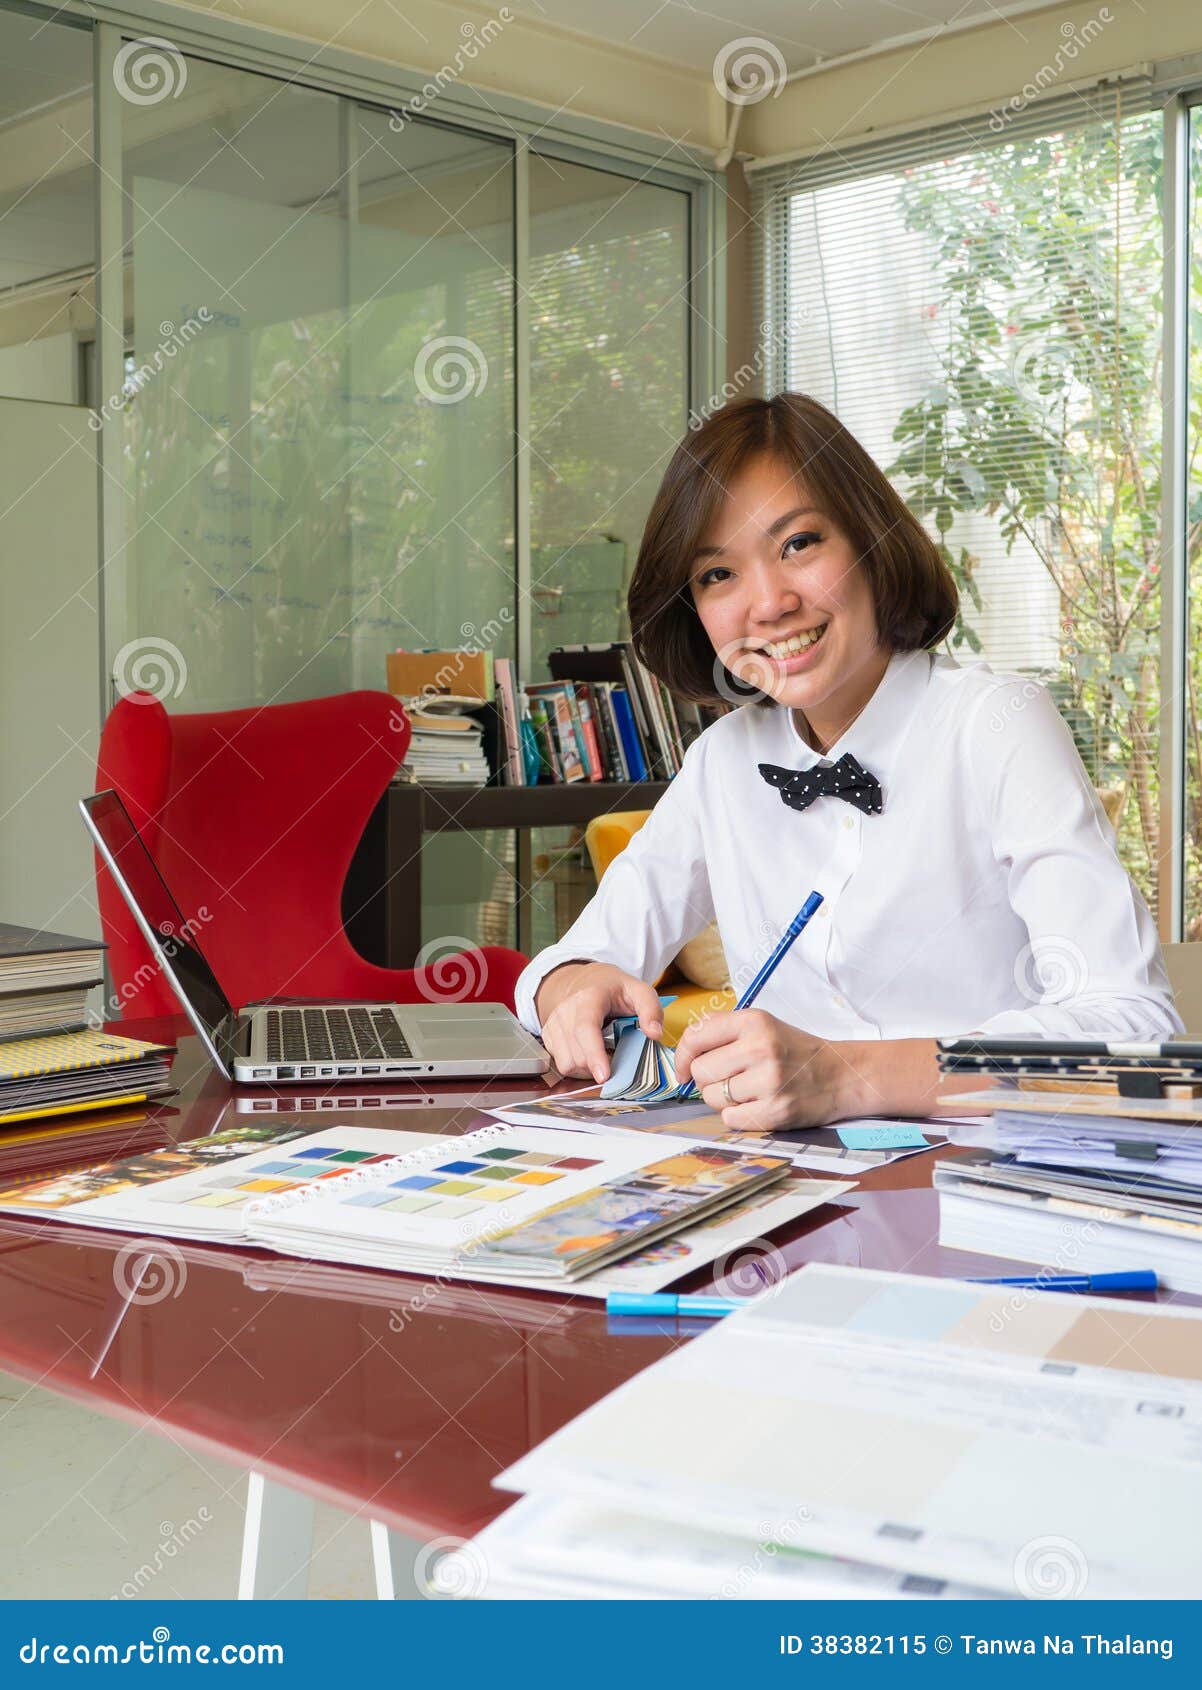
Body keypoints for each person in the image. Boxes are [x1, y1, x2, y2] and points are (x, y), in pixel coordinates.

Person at [513, 393, 1180, 1131]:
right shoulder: (723, 762)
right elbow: (573, 964)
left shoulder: (997, 725)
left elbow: (1132, 1040)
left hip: (983, 1178)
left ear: (871, 539)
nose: (769, 604)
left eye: (799, 543)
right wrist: (570, 989)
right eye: (718, 575)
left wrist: (847, 1075)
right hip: (778, 1188)